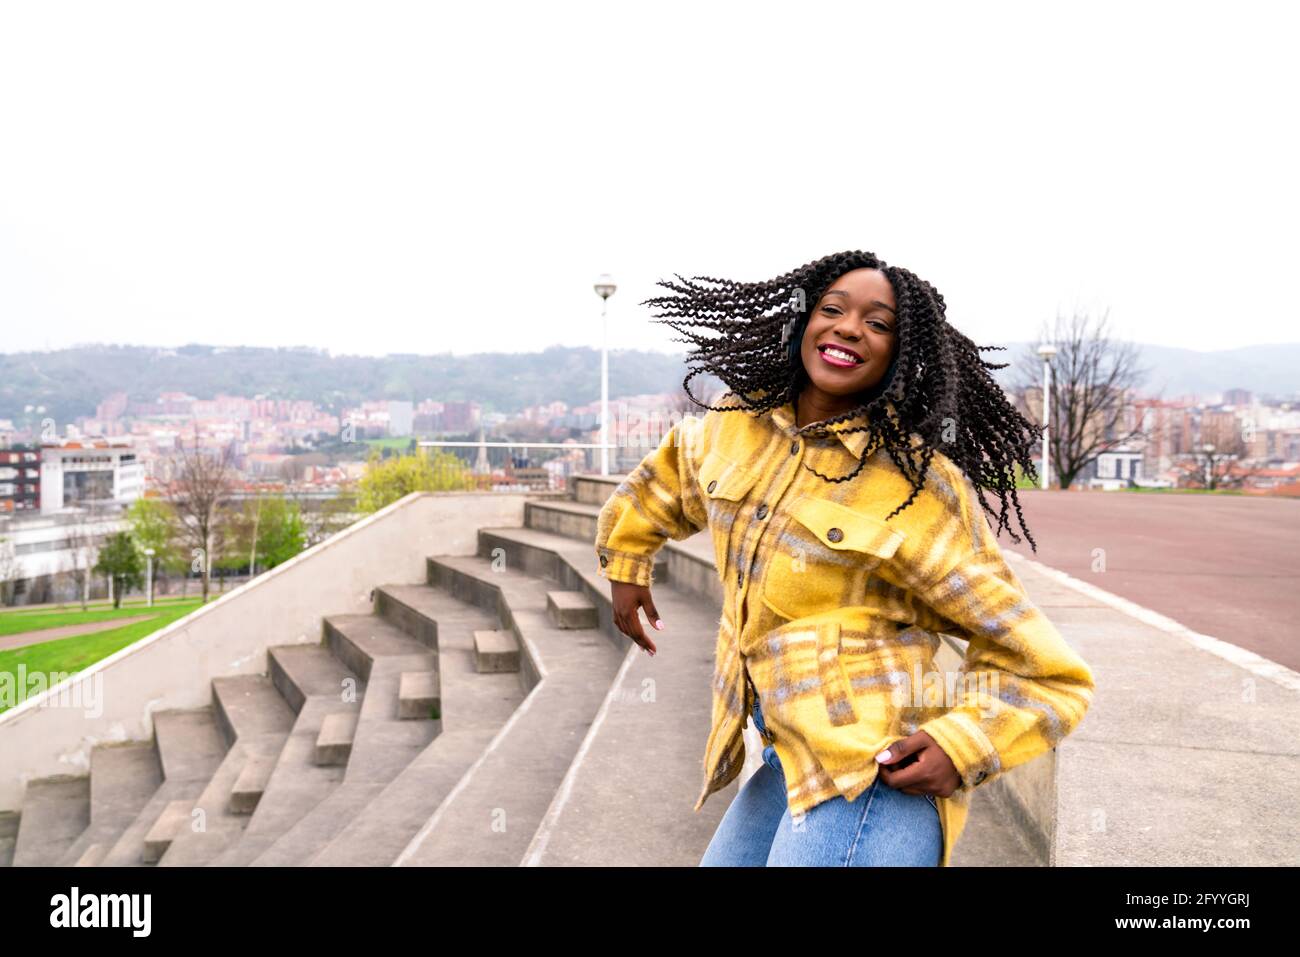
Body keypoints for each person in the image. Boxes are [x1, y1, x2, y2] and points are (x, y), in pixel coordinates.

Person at [594, 249, 1096, 866]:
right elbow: (667, 482)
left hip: (872, 774)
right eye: (832, 309)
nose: (849, 327)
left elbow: (1047, 673)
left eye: (879, 324)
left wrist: (964, 745)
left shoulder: (919, 486)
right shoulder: (736, 425)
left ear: (902, 353)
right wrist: (626, 563)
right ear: (802, 322)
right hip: (789, 757)